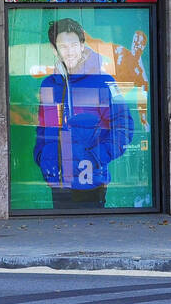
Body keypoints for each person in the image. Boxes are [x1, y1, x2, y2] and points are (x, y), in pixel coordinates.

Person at [34, 17, 134, 210]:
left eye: (73, 45)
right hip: (58, 179)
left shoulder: (102, 81)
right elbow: (45, 128)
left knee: (91, 234)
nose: (69, 51)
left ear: (82, 45)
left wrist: (96, 158)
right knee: (61, 234)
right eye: (63, 46)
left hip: (91, 180)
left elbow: (124, 127)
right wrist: (43, 157)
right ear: (55, 50)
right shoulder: (49, 85)